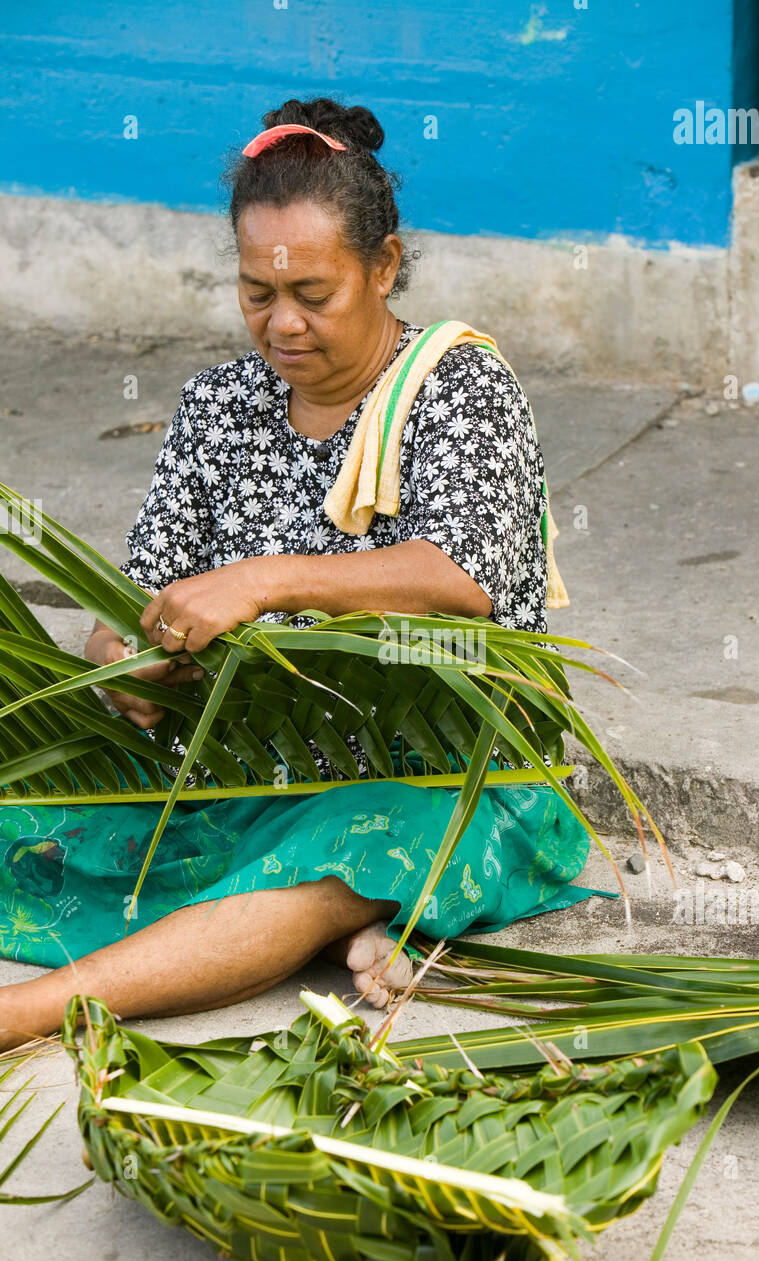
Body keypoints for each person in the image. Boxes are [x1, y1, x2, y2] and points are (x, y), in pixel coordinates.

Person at [0, 98, 599, 1052]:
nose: (282, 325)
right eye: (256, 293)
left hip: (453, 773)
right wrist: (131, 665)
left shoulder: (458, 385)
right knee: (43, 824)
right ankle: (356, 927)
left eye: (314, 295)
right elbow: (131, 603)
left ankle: (34, 1010)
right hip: (257, 771)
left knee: (344, 846)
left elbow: (462, 577)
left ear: (385, 266)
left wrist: (265, 580)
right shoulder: (221, 405)